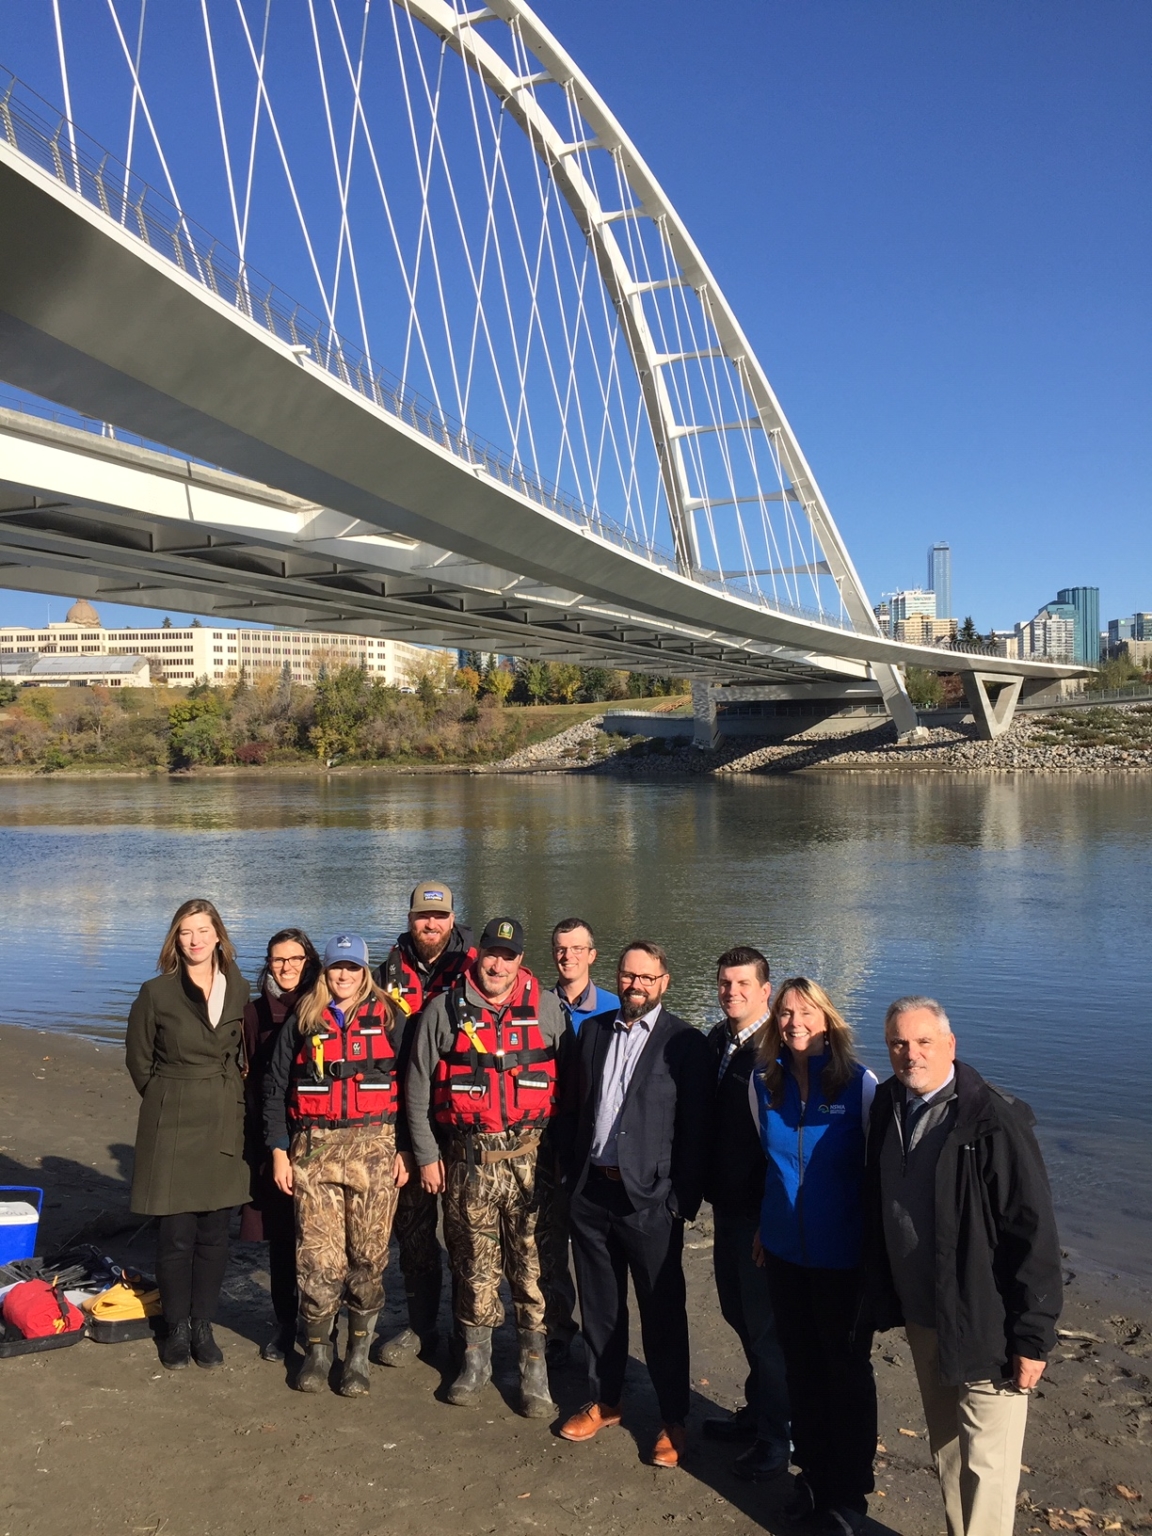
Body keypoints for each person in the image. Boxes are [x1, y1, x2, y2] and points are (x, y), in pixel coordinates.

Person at [863, 997, 1062, 1536]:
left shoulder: (992, 1121)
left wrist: (1033, 1337)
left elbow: (1034, 1233)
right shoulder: (887, 1106)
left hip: (985, 1322)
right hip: (925, 1316)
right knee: (948, 1453)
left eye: (924, 1041)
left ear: (951, 1044)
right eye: (899, 1044)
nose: (911, 1054)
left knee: (987, 1466)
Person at [405, 916, 570, 1417]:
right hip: (468, 1159)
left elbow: (572, 1085)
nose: (497, 964)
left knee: (533, 1267)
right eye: (490, 954)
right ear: (477, 955)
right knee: (473, 1263)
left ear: (522, 960)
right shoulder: (444, 1009)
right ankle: (474, 1360)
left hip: (531, 1159)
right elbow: (415, 1086)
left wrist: (565, 1158)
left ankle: (534, 1368)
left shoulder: (545, 1008)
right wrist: (427, 1156)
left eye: (509, 955)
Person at [557, 941, 711, 1470]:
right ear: (616, 977)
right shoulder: (593, 1032)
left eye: (646, 977)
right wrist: (567, 1175)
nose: (635, 985)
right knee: (600, 1307)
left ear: (664, 981)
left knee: (662, 1312)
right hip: (591, 1192)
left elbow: (696, 1132)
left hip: (650, 1202)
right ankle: (607, 1400)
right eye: (627, 975)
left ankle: (673, 1420)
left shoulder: (685, 1043)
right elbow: (572, 1108)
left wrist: (679, 1202)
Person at [750, 977, 878, 1535]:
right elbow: (769, 1162)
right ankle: (812, 1477)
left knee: (846, 1375)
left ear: (827, 1020)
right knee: (801, 1370)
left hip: (842, 1259)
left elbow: (878, 1172)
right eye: (784, 1013)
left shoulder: (860, 1086)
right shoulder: (763, 1083)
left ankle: (848, 1496)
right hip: (784, 1253)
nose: (794, 1022)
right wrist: (764, 1225)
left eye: (806, 1013)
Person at [264, 934, 408, 1397]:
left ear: (365, 971)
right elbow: (274, 1088)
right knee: (318, 1259)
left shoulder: (390, 1018)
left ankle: (358, 1354)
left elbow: (415, 1086)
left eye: (352, 968)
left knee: (368, 1258)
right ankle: (318, 1352)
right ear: (324, 972)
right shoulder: (304, 1018)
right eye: (335, 968)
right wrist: (279, 1149)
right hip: (314, 1149)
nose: (343, 976)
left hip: (375, 1148)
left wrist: (406, 1148)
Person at [126, 899, 251, 1371]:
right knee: (176, 1233)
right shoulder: (156, 992)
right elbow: (138, 1060)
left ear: (218, 934)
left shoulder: (239, 987)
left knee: (215, 1232)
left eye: (203, 929)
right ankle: (176, 1327)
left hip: (223, 1113)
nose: (195, 940)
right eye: (185, 932)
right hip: (173, 1117)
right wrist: (164, 1098)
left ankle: (204, 1324)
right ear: (175, 940)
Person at [373, 879, 475, 1367]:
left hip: (463, 1120)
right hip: (407, 1121)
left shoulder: (482, 967)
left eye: (438, 917)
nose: (429, 925)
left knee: (465, 1234)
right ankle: (420, 1326)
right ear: (409, 919)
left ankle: (466, 1332)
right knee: (412, 1233)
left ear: (452, 919)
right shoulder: (385, 971)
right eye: (421, 917)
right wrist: (398, 1138)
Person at [702, 946, 790, 1482]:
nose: (731, 992)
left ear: (766, 990)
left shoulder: (775, 1055)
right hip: (726, 1209)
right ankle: (759, 1412)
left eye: (742, 984)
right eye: (724, 983)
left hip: (760, 1218)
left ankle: (777, 1437)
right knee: (738, 1315)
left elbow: (784, 1148)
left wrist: (770, 1220)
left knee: (766, 1330)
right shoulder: (718, 1042)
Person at [539, 918, 621, 1367]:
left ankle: (601, 1337)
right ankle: (556, 1327)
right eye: (559, 948)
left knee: (595, 1248)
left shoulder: (612, 1008)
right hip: (545, 1139)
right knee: (548, 1242)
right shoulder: (534, 1005)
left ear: (592, 954)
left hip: (593, 1144)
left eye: (576, 948)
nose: (566, 956)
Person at [239, 927, 321, 1362]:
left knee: (325, 1239)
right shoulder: (254, 1014)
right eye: (277, 959)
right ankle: (285, 1323)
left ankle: (321, 1325)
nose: (286, 967)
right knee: (284, 1239)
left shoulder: (326, 1008)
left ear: (308, 962)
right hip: (276, 1138)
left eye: (294, 959)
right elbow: (251, 1079)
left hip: (323, 1137)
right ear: (268, 964)